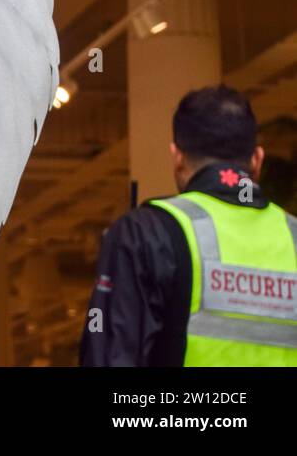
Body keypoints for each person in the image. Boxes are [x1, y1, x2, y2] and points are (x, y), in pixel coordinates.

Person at [79, 84, 297, 366]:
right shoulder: (292, 238)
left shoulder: (144, 233)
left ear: (177, 157)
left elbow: (109, 357)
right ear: (257, 160)